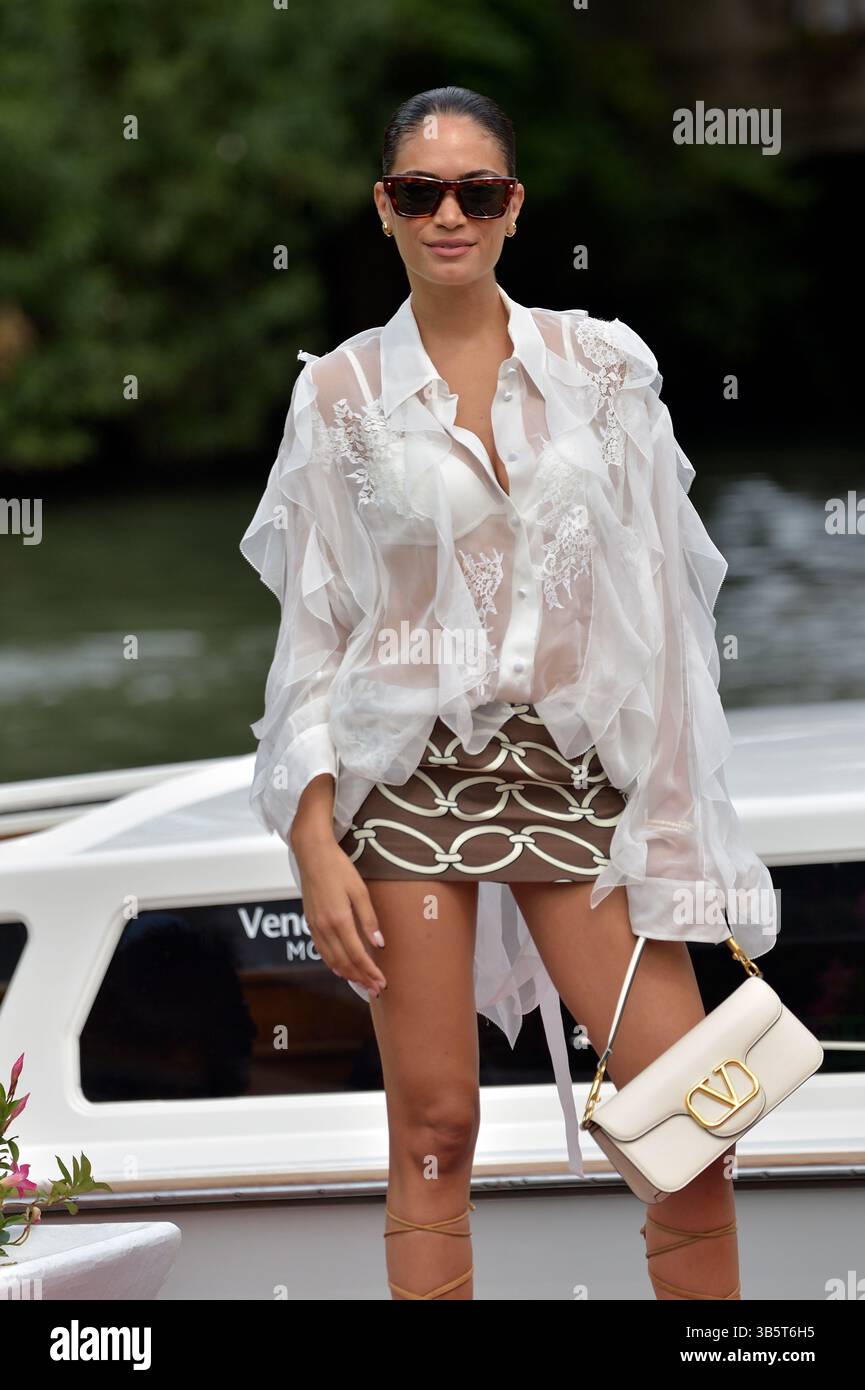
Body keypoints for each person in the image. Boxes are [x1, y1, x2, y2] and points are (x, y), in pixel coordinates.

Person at [240, 85, 777, 1301]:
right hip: (406, 785)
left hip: (576, 777)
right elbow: (314, 636)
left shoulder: (601, 366)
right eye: (419, 191)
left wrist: (679, 844)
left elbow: (666, 627)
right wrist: (315, 835)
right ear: (383, 208)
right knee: (434, 1129)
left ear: (513, 208)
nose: (448, 213)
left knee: (692, 1129)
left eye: (475, 191)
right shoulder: (336, 398)